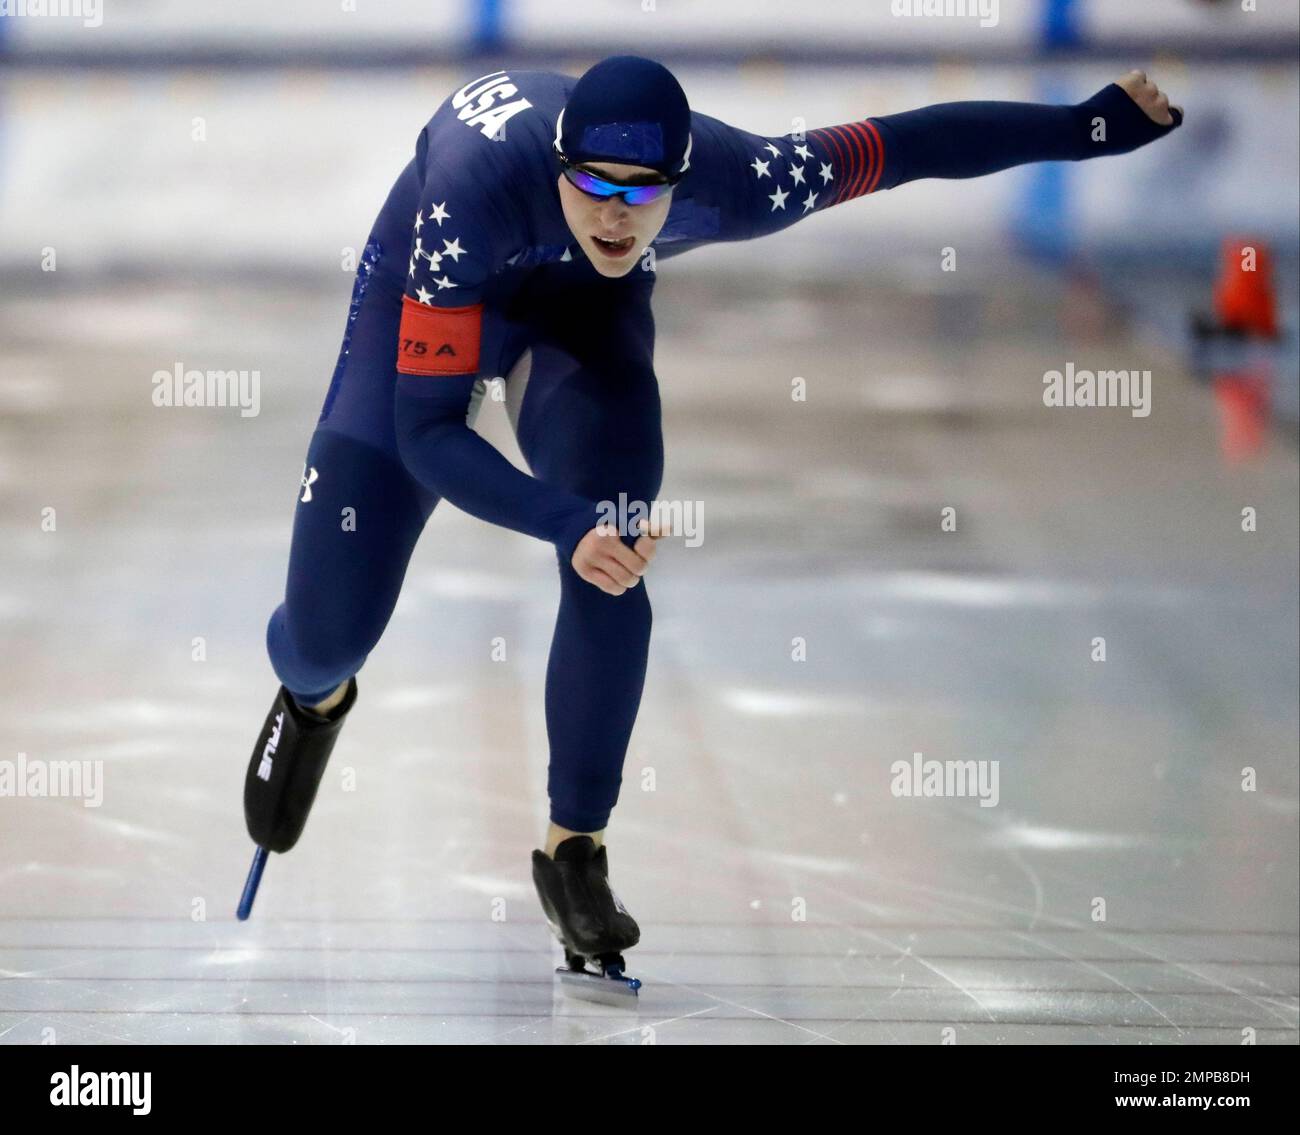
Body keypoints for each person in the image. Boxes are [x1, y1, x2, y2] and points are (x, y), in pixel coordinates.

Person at [240, 55, 1181, 983]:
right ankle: (313, 695)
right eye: (594, 186)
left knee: (616, 543)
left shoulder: (743, 180)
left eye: (642, 194)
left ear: (684, 183)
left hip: (581, 317)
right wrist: (560, 520)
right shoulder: (469, 193)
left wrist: (1086, 127)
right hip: (434, 286)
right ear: (561, 167)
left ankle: (575, 852)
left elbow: (906, 147)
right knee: (329, 636)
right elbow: (428, 431)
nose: (616, 216)